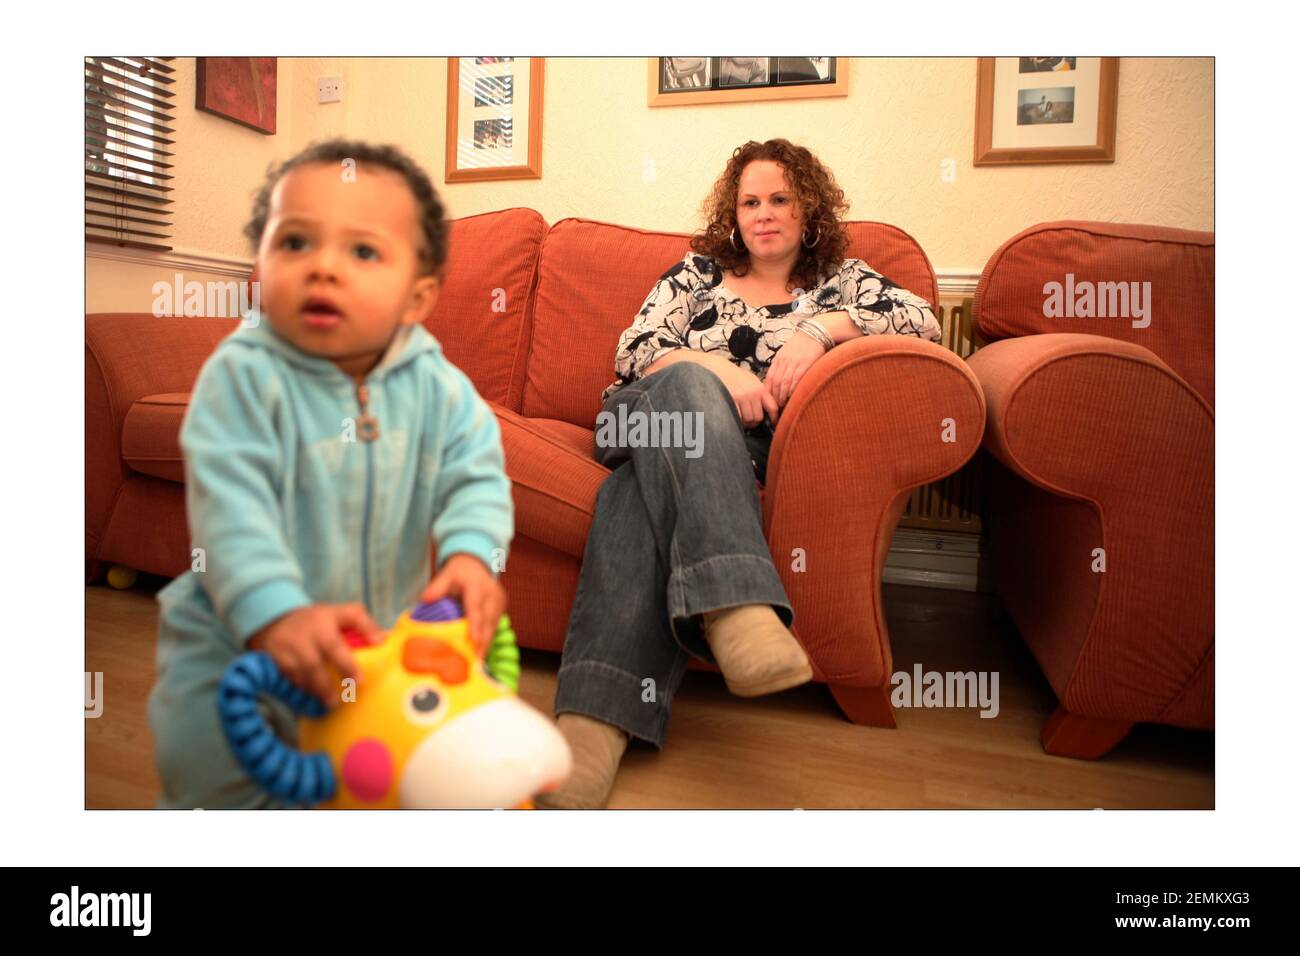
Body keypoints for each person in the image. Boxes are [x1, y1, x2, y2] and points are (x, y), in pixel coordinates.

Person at [538, 138, 942, 808]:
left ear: (808, 210)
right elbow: (635, 347)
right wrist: (719, 372)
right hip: (638, 420)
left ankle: (592, 726)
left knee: (632, 498)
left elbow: (922, 323)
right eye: (750, 201)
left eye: (780, 199)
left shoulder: (843, 280)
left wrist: (821, 331)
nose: (764, 213)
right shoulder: (695, 274)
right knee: (692, 388)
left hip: (737, 450)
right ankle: (735, 606)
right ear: (734, 214)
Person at [147, 140, 514, 808]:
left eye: (363, 251)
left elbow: (476, 476)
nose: (322, 268)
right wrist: (275, 611)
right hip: (236, 652)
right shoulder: (241, 378)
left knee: (365, 788)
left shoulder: (440, 388)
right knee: (209, 775)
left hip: (369, 653)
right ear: (259, 262)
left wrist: (471, 553)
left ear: (418, 295)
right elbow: (232, 509)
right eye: (294, 243)